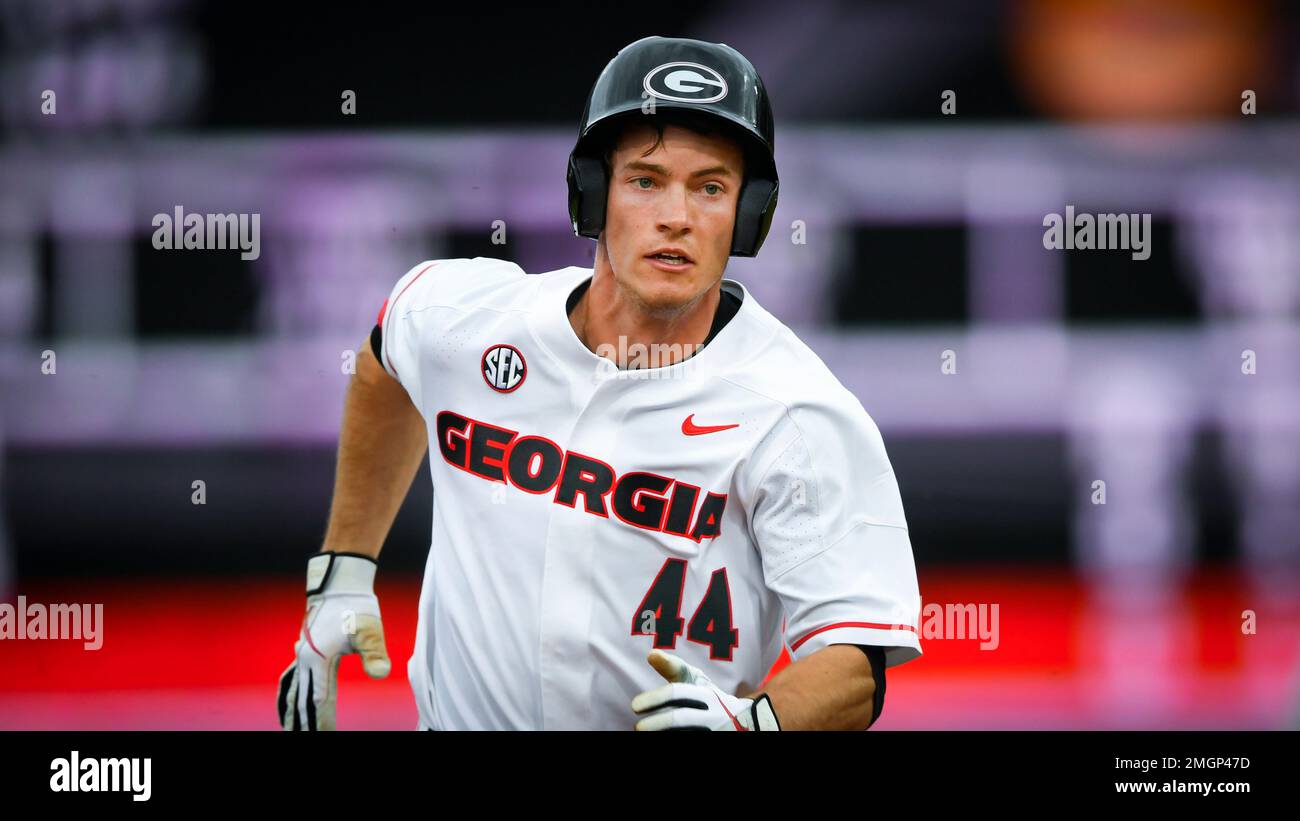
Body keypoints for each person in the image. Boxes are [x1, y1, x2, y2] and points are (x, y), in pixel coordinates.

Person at [278, 35, 921, 731]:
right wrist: (342, 570)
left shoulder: (799, 413)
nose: (676, 216)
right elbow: (388, 352)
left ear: (747, 214)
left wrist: (751, 723)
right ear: (592, 192)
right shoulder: (471, 318)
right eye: (646, 180)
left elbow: (856, 660)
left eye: (710, 187)